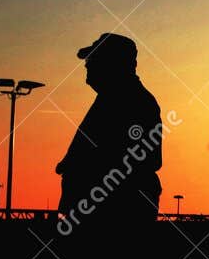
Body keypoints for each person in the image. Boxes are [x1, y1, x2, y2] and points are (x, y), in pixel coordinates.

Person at [56, 32, 163, 229]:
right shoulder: (111, 99)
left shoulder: (133, 102)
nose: (87, 64)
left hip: (112, 216)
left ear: (113, 63)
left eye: (94, 58)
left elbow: (144, 160)